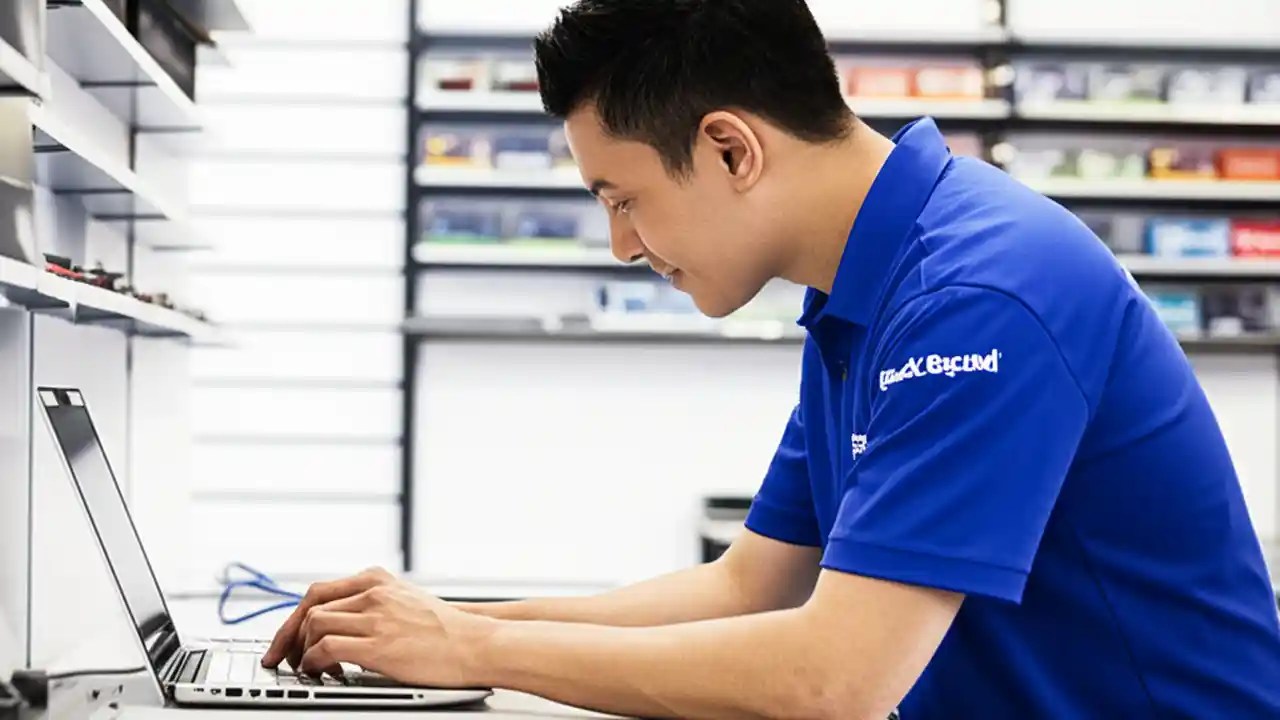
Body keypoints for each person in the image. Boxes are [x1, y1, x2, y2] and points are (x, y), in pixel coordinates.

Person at [262, 1, 1280, 717]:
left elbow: (835, 679)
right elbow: (749, 586)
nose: (620, 244)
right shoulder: (865, 290)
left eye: (622, 198)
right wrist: (444, 624)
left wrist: (477, 649)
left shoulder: (977, 293)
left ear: (729, 148)